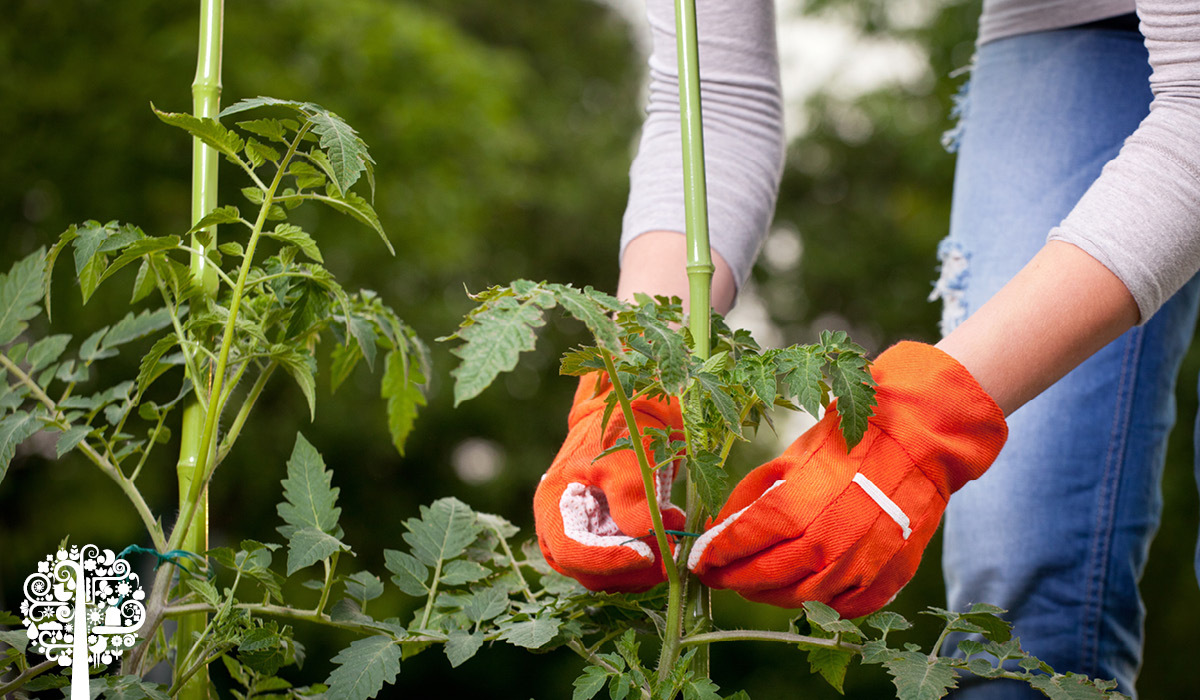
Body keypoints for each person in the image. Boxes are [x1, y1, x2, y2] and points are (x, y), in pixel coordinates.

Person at [532, 1, 1200, 697]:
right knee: (1017, 598)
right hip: (1063, 20)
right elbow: (711, 99)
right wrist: (636, 377)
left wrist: (925, 423)